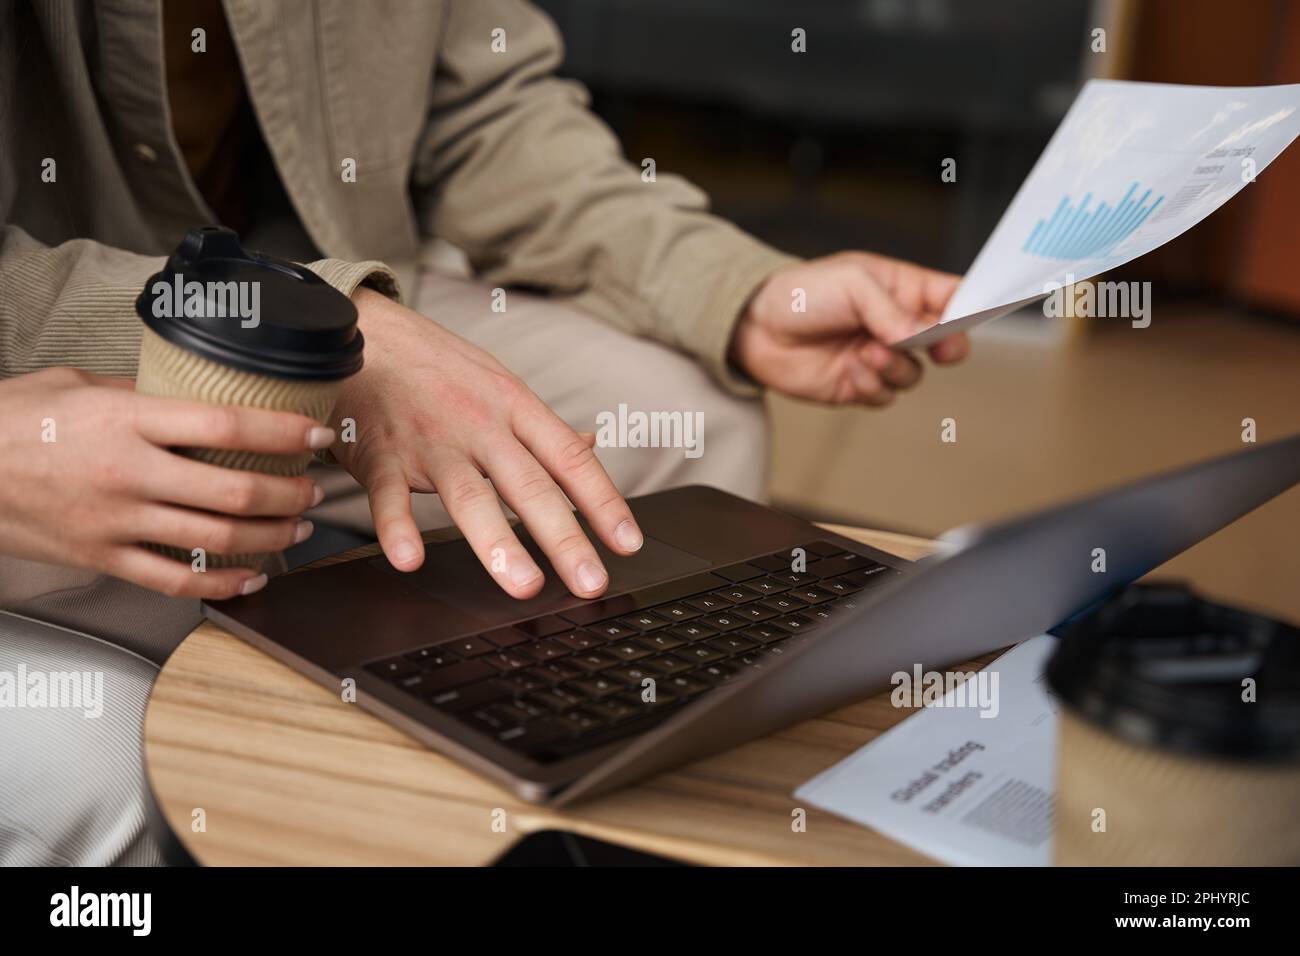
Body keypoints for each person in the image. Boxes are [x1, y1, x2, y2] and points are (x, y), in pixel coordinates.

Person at [0, 0, 969, 864]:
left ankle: (597, 800)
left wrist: (736, 290)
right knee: (154, 693)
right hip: (67, 337)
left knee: (683, 417)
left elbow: (489, 115)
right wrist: (339, 326)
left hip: (329, 276)